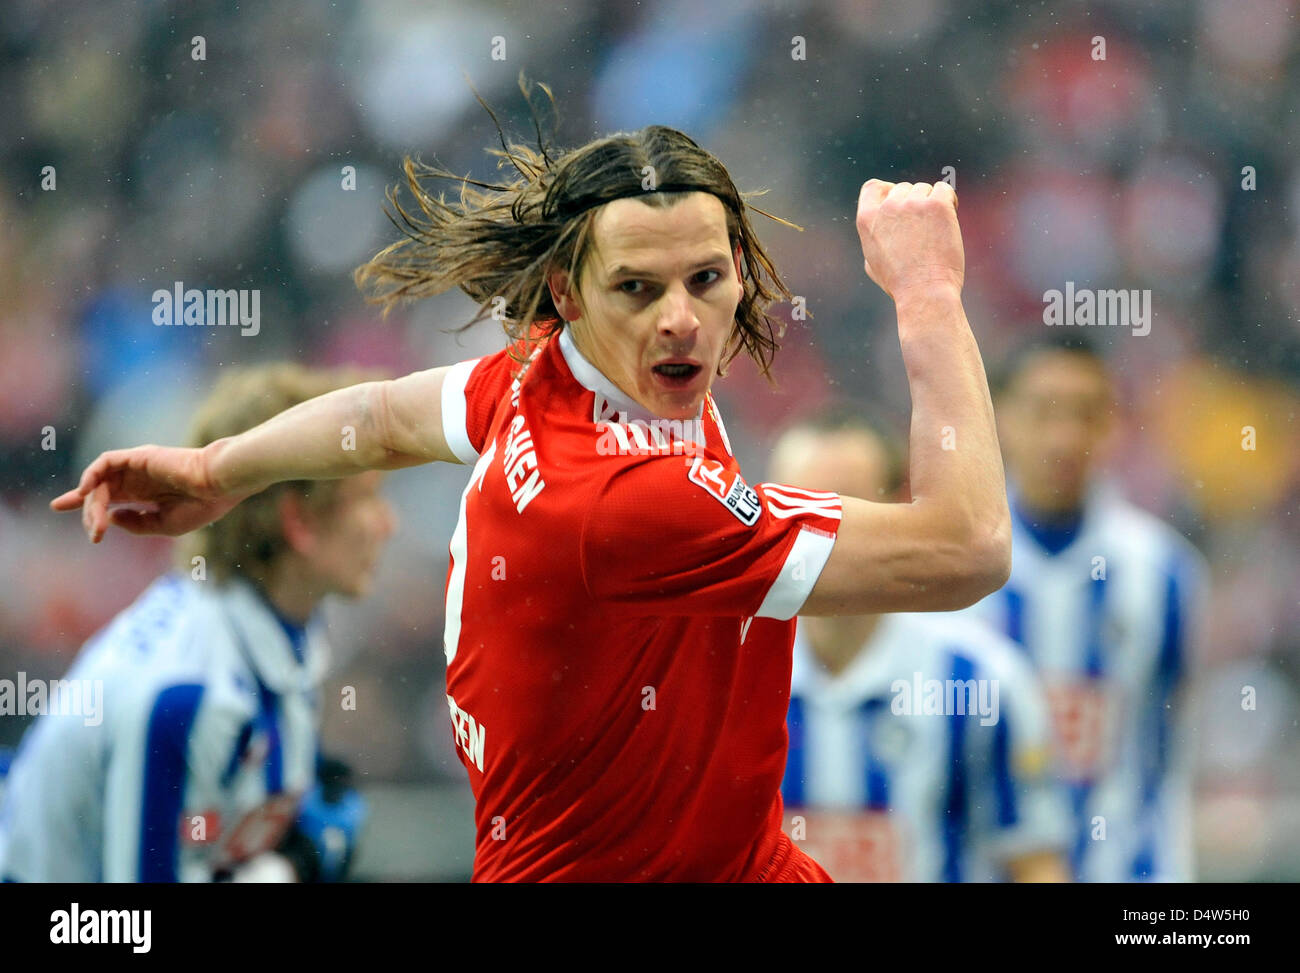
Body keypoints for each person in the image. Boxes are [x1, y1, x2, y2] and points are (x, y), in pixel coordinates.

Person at [50, 106, 1011, 881]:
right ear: (569, 290)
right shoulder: (623, 502)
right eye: (638, 289)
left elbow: (384, 418)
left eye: (706, 279)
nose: (682, 320)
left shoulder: (534, 376)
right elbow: (968, 547)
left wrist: (217, 470)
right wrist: (928, 291)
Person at [2, 364, 393, 882]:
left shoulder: (267, 628)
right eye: (366, 497)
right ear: (298, 520)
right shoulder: (186, 692)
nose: (387, 524)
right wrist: (295, 864)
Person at [771, 407, 1072, 882]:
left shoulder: (979, 678)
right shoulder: (720, 676)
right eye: (794, 505)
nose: (817, 533)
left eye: (841, 506)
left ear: (900, 510)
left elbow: (1034, 862)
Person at [958, 334, 1209, 881]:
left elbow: (1170, 752)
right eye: (1044, 411)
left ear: (1111, 425)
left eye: (1086, 414)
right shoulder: (956, 567)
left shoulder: (1164, 574)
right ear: (1001, 416)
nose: (1065, 436)